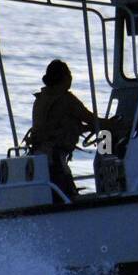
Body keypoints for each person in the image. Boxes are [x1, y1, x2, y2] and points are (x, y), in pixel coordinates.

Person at [24, 59, 103, 201]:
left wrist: (83, 128)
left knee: (55, 197)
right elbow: (91, 119)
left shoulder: (41, 98)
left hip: (39, 157)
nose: (71, 78)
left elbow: (57, 126)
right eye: (69, 74)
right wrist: (116, 125)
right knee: (68, 198)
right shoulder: (66, 100)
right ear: (63, 78)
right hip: (54, 159)